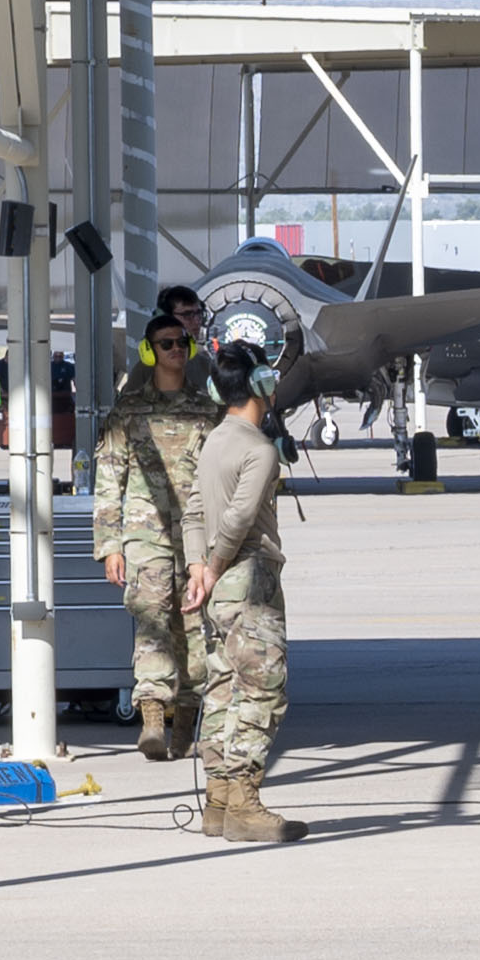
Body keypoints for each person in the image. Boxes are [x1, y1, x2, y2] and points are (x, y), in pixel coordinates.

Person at [183, 341, 302, 847]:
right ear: (262, 385)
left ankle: (218, 802)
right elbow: (237, 519)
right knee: (261, 690)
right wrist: (212, 566)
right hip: (248, 579)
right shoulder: (257, 450)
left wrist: (197, 571)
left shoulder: (213, 441)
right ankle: (246, 804)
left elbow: (193, 511)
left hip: (217, 588)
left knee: (222, 689)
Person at [93, 305, 223, 762]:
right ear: (150, 351)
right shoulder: (128, 411)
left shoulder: (207, 413)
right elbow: (110, 477)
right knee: (151, 623)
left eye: (181, 343)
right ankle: (151, 716)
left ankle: (186, 721)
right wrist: (110, 543)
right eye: (166, 343)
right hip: (144, 536)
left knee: (192, 629)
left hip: (195, 539)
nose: (176, 350)